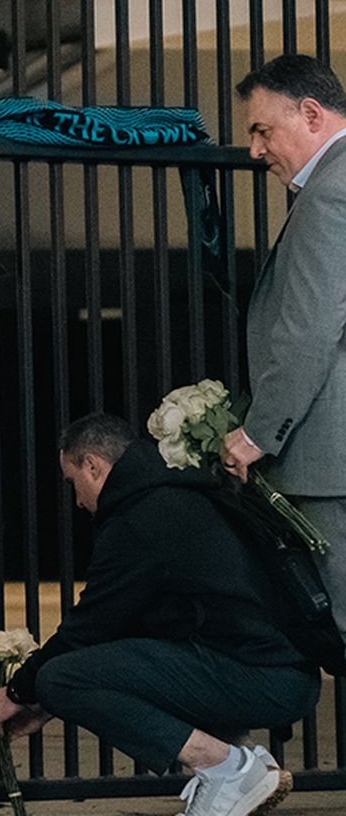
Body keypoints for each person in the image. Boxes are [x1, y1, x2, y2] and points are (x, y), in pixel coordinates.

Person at [0, 414, 318, 816]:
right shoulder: (177, 493)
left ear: (92, 465)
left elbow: (89, 628)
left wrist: (18, 693)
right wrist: (45, 705)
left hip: (265, 678)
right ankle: (242, 762)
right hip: (281, 671)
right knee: (76, 674)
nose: (78, 500)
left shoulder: (139, 518)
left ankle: (228, 769)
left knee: (60, 677)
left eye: (72, 482)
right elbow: (126, 632)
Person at [223, 53, 346, 634]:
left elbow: (309, 330)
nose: (255, 150)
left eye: (263, 130)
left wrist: (257, 433)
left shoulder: (328, 195)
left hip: (332, 465)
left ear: (312, 114)